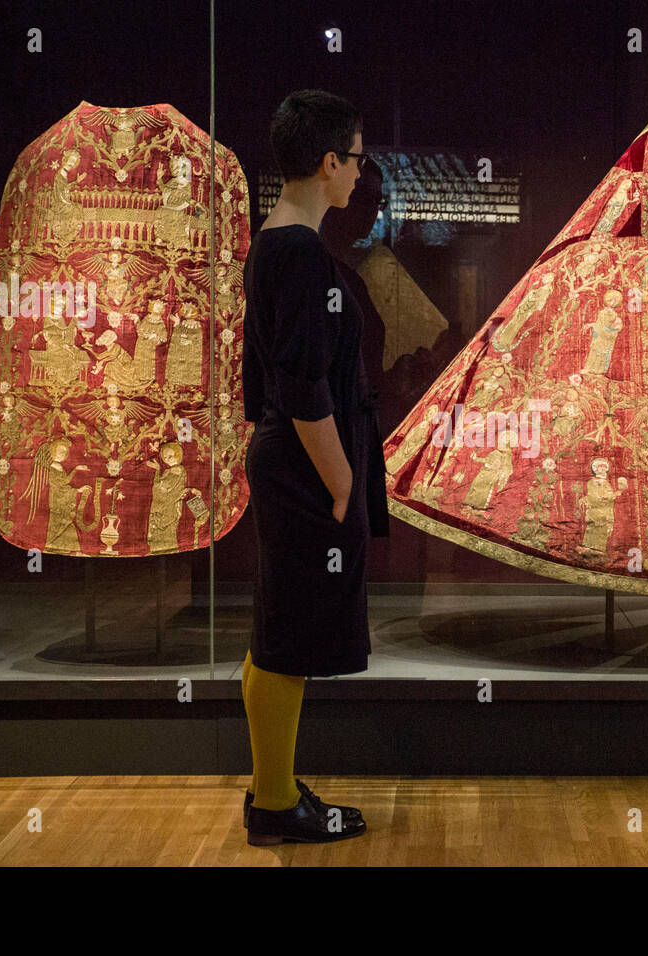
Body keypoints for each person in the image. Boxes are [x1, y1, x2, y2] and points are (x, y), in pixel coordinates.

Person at [240, 89, 389, 846]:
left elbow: (257, 383)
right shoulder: (296, 252)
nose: (361, 175)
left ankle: (274, 785)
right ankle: (273, 804)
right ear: (329, 162)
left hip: (290, 459)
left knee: (280, 625)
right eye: (357, 159)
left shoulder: (278, 244)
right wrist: (341, 485)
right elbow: (299, 389)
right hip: (307, 466)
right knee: (287, 636)